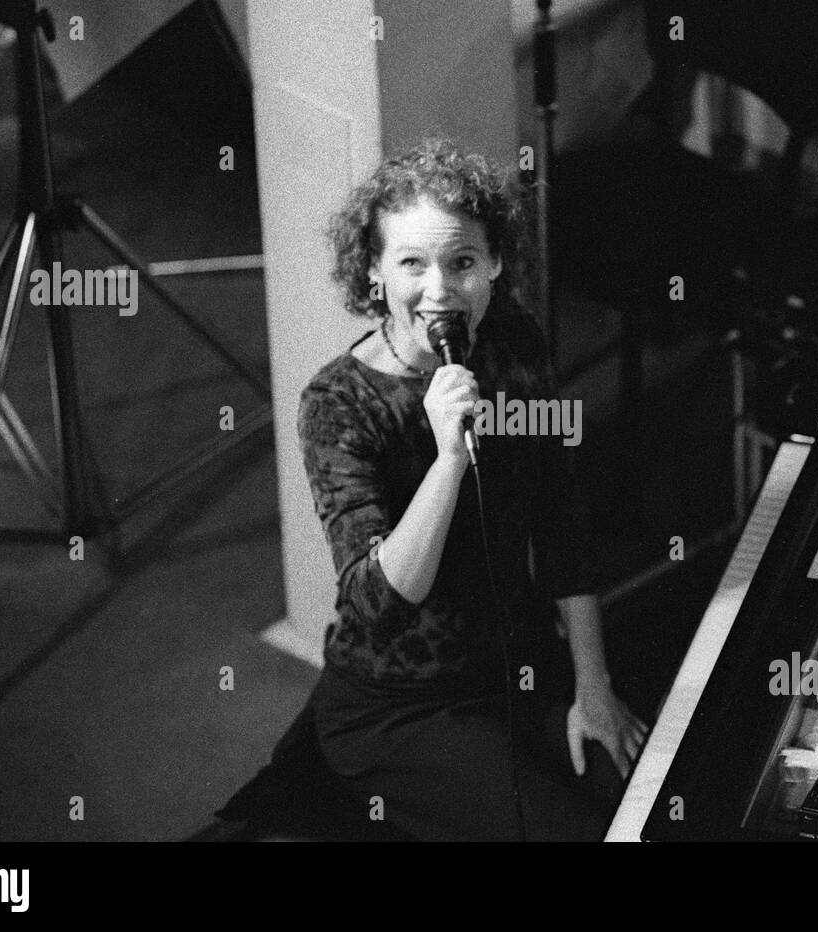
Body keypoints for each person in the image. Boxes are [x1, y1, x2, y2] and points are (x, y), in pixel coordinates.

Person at [286, 138, 645, 842]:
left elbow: (562, 516)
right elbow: (381, 601)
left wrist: (593, 686)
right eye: (412, 264)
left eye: (462, 263)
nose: (440, 291)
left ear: (495, 265)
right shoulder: (338, 404)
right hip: (404, 700)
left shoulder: (512, 341)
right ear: (374, 274)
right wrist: (448, 458)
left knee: (646, 795)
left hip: (519, 656)